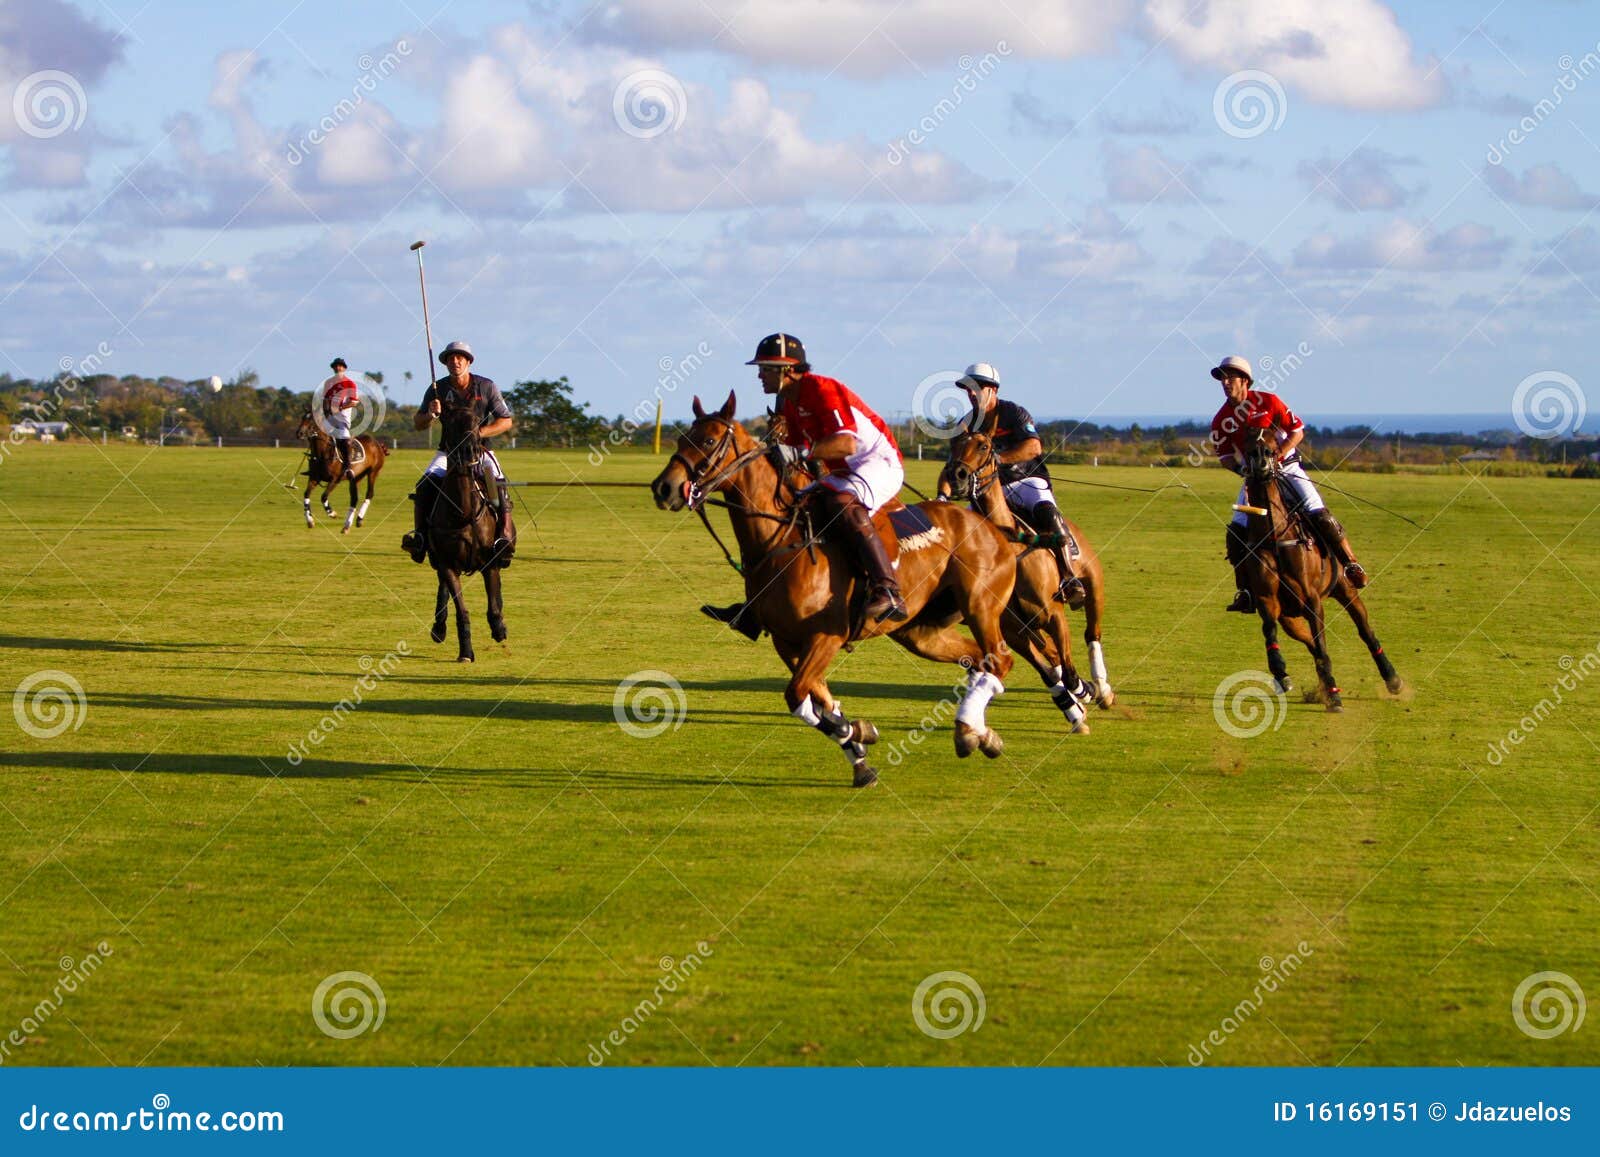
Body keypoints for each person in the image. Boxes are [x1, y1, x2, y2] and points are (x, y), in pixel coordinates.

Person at [701, 334, 907, 630]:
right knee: (793, 506)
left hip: (878, 461)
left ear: (786, 369)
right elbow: (796, 450)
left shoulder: (822, 389)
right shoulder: (788, 401)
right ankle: (758, 602)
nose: (759, 375)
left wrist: (799, 451)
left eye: (765, 368)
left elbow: (846, 444)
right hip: (844, 470)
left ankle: (888, 590)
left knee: (842, 505)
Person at [1208, 355, 1367, 613]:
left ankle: (1350, 564)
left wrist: (1279, 456)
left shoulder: (1268, 402)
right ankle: (1245, 590)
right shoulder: (1221, 420)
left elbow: (1298, 430)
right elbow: (1225, 457)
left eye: (1231, 377)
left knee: (1318, 511)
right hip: (1254, 477)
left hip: (1287, 467)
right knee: (1236, 529)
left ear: (1245, 380)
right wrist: (1243, 469)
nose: (1225, 382)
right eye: (1222, 378)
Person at [957, 362, 1086, 608]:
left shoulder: (1014, 413)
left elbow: (1034, 447)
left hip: (1026, 479)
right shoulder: (967, 423)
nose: (971, 394)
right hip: (989, 488)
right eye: (968, 390)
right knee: (962, 530)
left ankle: (1069, 576)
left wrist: (999, 460)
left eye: (976, 388)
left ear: (992, 390)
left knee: (1046, 510)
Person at [401, 341, 515, 565]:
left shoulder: (486, 386)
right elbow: (418, 423)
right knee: (425, 484)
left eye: (460, 357)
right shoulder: (438, 389)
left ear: (469, 361)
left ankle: (504, 535)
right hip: (448, 452)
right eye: (450, 358)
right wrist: (431, 415)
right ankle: (421, 537)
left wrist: (478, 433)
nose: (455, 362)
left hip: (479, 449)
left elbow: (506, 421)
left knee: (497, 481)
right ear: (445, 363)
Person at [319, 357, 358, 472]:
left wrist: (340, 408)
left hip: (342, 417)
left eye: (340, 366)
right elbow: (325, 399)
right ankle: (316, 464)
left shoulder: (349, 383)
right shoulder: (328, 382)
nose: (338, 368)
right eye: (336, 366)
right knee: (317, 435)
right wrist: (325, 412)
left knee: (344, 438)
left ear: (344, 368)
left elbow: (354, 402)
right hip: (329, 416)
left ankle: (348, 467)